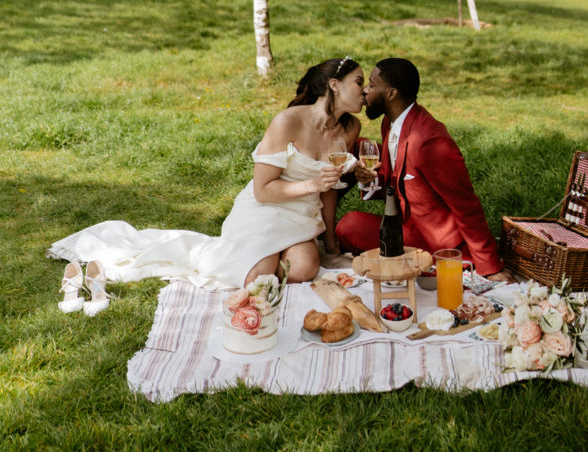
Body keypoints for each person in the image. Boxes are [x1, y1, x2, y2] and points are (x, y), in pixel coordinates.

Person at [48, 58, 367, 291]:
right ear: (334, 85)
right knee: (255, 278)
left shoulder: (349, 128)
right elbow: (263, 190)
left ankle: (281, 251)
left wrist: (331, 245)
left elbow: (330, 188)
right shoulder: (287, 122)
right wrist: (312, 183)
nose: (364, 90)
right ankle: (249, 252)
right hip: (266, 209)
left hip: (301, 217)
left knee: (304, 270)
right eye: (359, 81)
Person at [335, 58, 511, 281]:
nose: (365, 91)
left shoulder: (431, 140)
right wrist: (369, 176)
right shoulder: (390, 122)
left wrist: (490, 266)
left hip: (437, 241)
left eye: (371, 84)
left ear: (391, 94)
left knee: (350, 225)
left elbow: (466, 205)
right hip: (406, 226)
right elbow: (398, 175)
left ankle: (460, 260)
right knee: (350, 225)